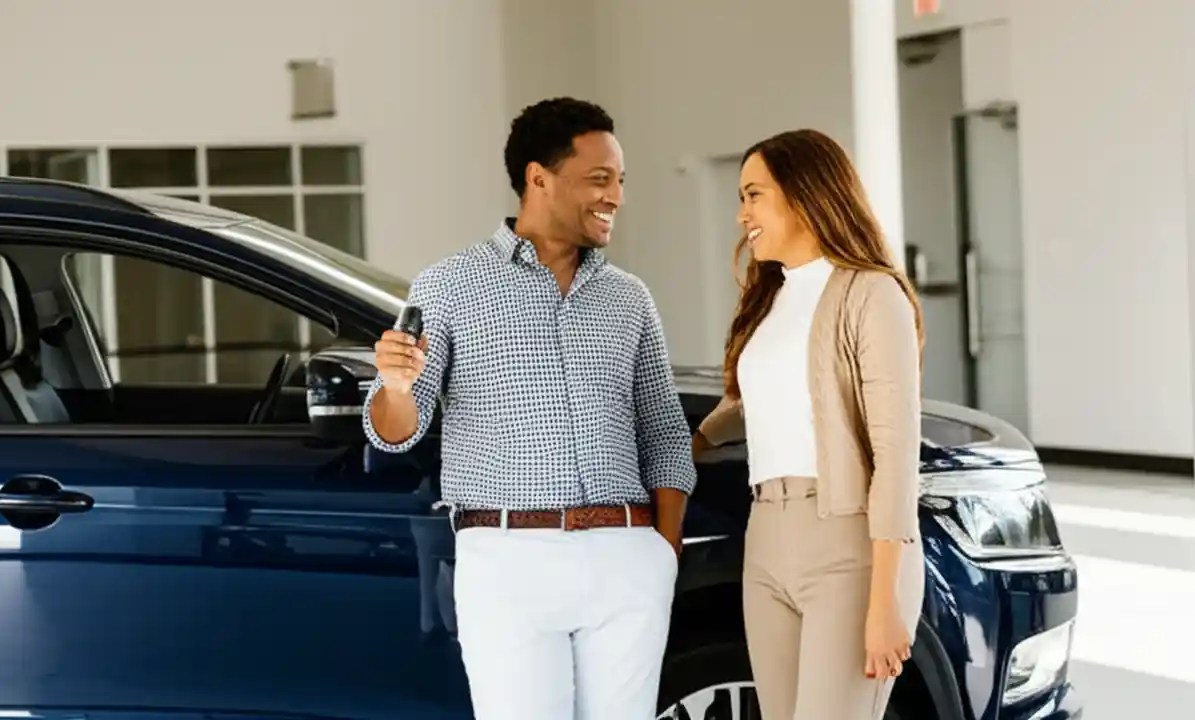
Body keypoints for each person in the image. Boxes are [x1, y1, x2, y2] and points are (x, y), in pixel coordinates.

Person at [363, 97, 697, 720]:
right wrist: (397, 386)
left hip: (627, 560)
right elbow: (395, 435)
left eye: (620, 181)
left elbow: (665, 434)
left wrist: (662, 557)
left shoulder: (629, 298)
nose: (616, 197)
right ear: (538, 178)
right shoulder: (449, 284)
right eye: (599, 179)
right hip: (508, 559)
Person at [692, 129, 926, 720]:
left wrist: (885, 601)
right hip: (766, 540)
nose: (742, 213)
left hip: (847, 546)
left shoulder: (872, 294)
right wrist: (688, 445)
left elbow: (896, 455)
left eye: (754, 195)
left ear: (803, 194)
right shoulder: (771, 296)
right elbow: (757, 403)